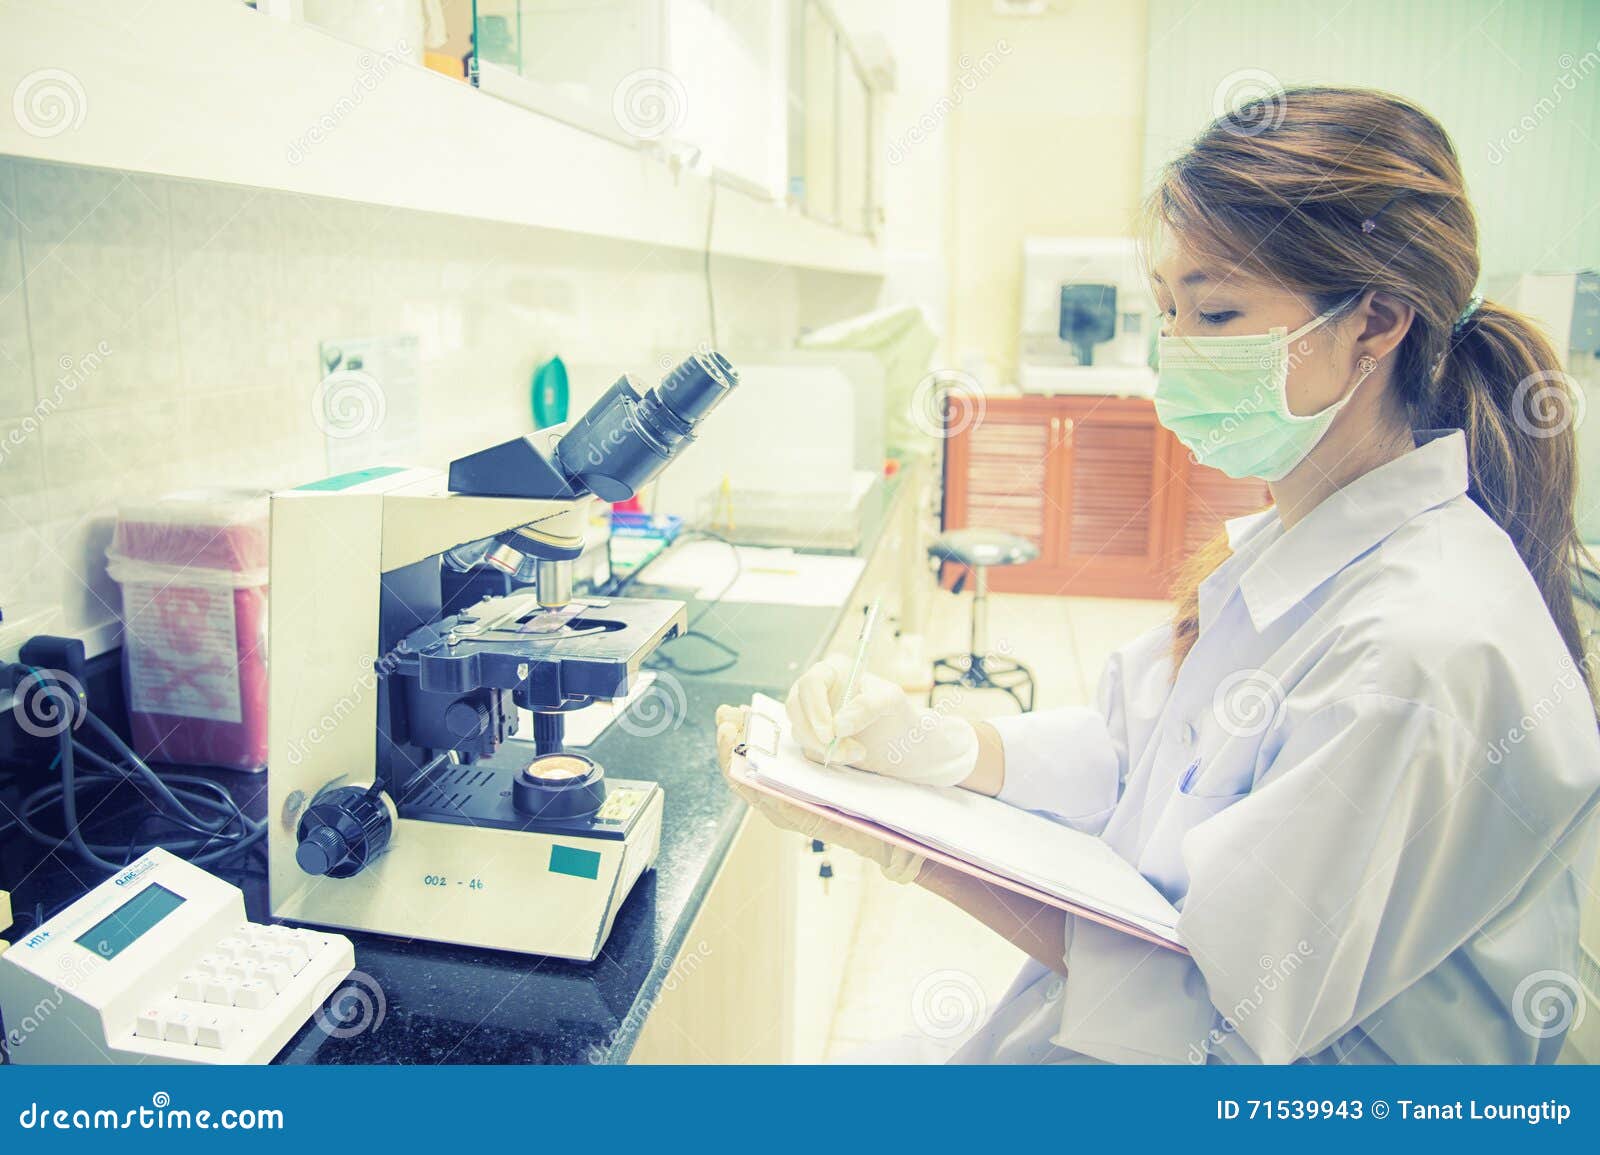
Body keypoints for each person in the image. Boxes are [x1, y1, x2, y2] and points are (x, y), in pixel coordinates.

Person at [716, 86, 1600, 1064]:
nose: (1173, 351)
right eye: (1167, 309)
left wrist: (901, 843)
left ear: (1375, 321)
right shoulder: (1285, 551)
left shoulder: (1424, 650)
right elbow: (1142, 761)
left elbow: (1212, 1007)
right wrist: (936, 748)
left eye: (1215, 311)